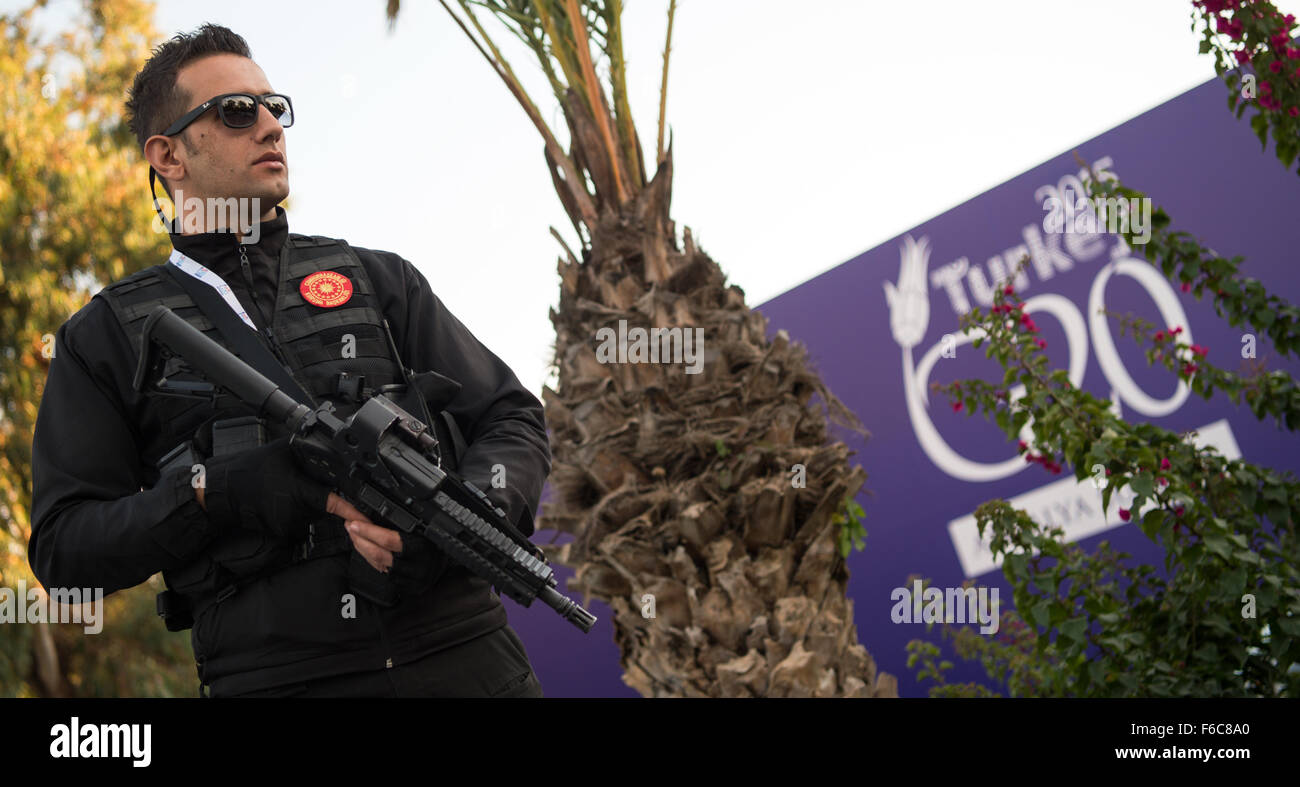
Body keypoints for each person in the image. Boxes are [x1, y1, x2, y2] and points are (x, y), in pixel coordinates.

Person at [28, 24, 550, 698]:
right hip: (277, 678)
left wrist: (471, 511)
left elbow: (510, 418)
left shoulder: (377, 278)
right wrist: (215, 494)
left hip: (467, 655)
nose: (271, 126)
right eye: (238, 112)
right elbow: (66, 551)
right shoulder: (105, 335)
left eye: (275, 107)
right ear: (168, 155)